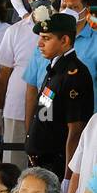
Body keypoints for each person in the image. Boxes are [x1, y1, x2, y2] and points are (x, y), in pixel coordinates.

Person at [25, 11, 94, 179]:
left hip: (56, 166)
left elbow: (76, 130)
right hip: (42, 164)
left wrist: (68, 178)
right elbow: (45, 114)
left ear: (64, 40)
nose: (39, 44)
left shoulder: (74, 74)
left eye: (46, 38)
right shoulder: (56, 69)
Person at [0, 0, 50, 168]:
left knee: (46, 168)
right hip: (16, 110)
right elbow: (3, 74)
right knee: (13, 169)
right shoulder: (14, 31)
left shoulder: (64, 30)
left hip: (50, 111)